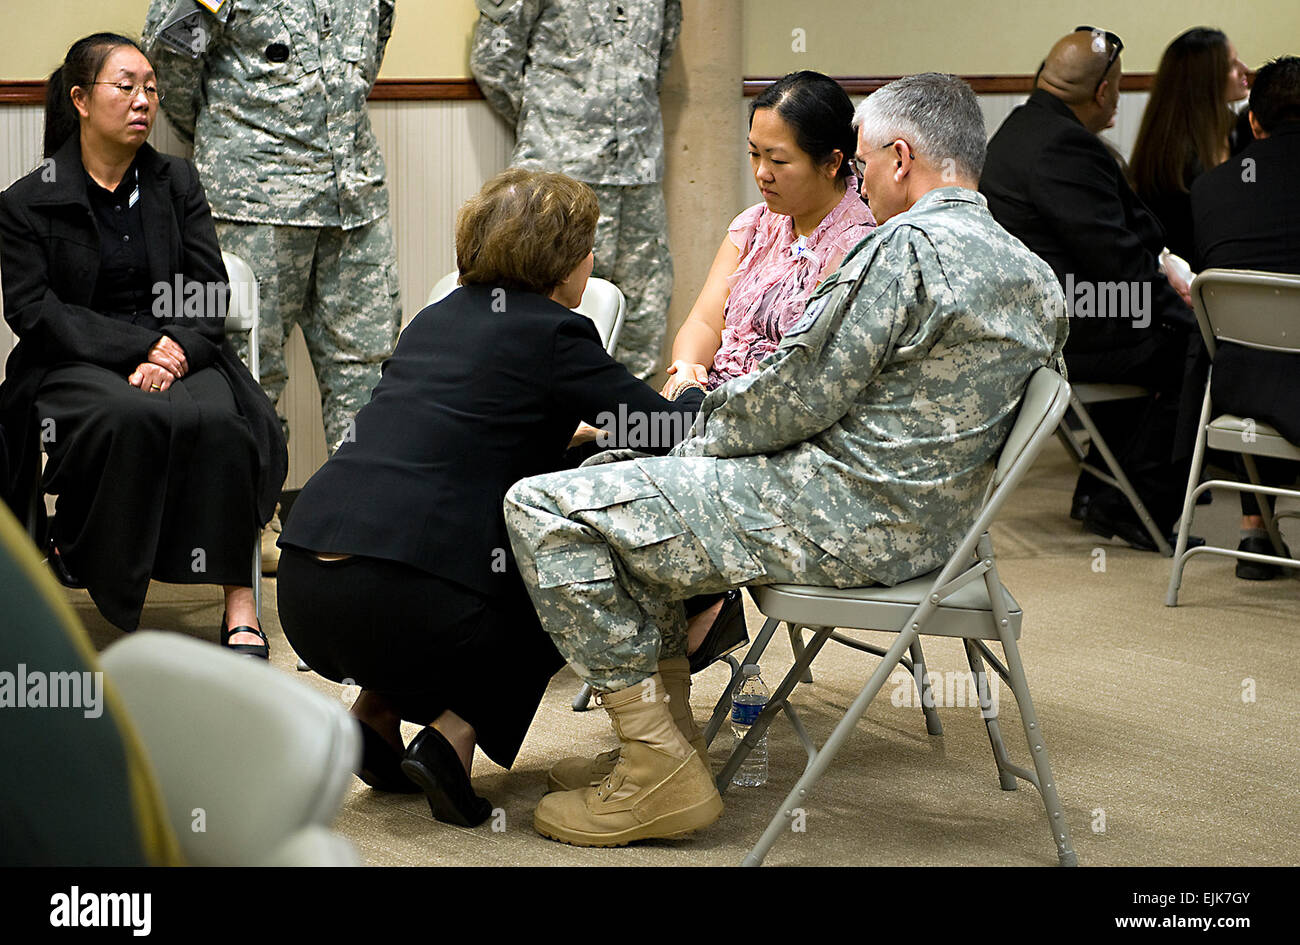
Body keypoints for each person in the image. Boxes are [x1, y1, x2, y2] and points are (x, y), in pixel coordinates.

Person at [504, 73, 1068, 848]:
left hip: (839, 514)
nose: (861, 185)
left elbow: (788, 400)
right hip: (942, 539)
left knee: (544, 506)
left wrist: (675, 429)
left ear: (901, 157)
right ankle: (669, 745)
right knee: (640, 506)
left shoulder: (905, 251)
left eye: (864, 163)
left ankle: (655, 769)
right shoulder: (1036, 275)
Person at [275, 169, 706, 828]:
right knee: (558, 569)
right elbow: (666, 430)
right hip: (409, 600)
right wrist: (697, 394)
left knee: (446, 553)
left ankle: (375, 714)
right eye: (589, 247)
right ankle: (452, 736)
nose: (593, 260)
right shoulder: (556, 332)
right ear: (563, 264)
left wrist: (582, 431)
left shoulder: (433, 320)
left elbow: (469, 432)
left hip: (308, 589)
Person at [0, 34, 286, 648]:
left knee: (224, 422)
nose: (143, 101)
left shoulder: (175, 181)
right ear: (79, 98)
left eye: (151, 89)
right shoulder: (28, 201)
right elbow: (31, 309)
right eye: (125, 86)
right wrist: (136, 351)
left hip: (184, 348)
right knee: (128, 414)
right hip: (76, 358)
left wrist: (177, 349)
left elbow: (210, 286)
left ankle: (240, 604)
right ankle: (79, 547)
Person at [143, 0, 403, 571]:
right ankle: (253, 516)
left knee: (370, 363)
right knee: (249, 364)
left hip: (353, 194)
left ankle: (358, 514)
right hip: (254, 194)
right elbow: (170, 65)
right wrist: (234, 140)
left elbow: (366, 59)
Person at [981, 27, 1199, 551]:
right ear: (1104, 92)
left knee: (1152, 326)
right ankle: (1132, 503)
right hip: (1063, 333)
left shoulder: (1019, 128)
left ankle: (1099, 492)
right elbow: (1117, 259)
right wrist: (1189, 314)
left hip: (1033, 322)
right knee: (1196, 347)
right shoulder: (1065, 145)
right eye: (1119, 88)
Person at [471, 0, 681, 383]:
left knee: (641, 325)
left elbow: (659, 58)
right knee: (539, 319)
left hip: (637, 176)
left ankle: (624, 438)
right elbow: (494, 61)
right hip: (557, 183)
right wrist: (555, 125)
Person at [661, 70, 875, 401]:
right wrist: (687, 368)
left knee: (621, 434)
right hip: (708, 398)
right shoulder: (754, 224)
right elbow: (704, 321)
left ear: (832, 162)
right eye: (754, 154)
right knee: (601, 436)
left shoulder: (859, 243)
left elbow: (809, 368)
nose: (762, 173)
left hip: (774, 412)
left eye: (777, 160)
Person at [1190, 55, 1300, 578]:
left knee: (1254, 347)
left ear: (1254, 122)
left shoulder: (1211, 189)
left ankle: (1254, 525)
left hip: (1241, 387)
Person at [1130, 27, 1252, 261]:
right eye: (1231, 65)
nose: (1244, 69)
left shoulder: (1242, 130)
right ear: (1206, 80)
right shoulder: (1173, 157)